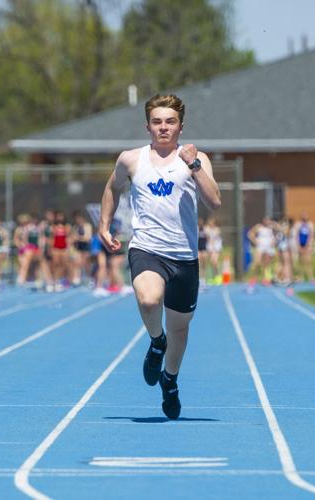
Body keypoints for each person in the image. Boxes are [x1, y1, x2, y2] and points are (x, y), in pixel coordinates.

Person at [99, 94, 221, 420]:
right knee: (150, 300)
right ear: (148, 126)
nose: (163, 127)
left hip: (184, 257)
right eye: (157, 122)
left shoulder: (196, 159)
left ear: (181, 126)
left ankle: (170, 380)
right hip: (147, 248)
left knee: (181, 329)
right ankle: (156, 341)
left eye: (170, 122)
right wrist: (104, 224)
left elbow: (214, 201)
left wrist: (194, 165)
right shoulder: (131, 159)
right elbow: (113, 187)